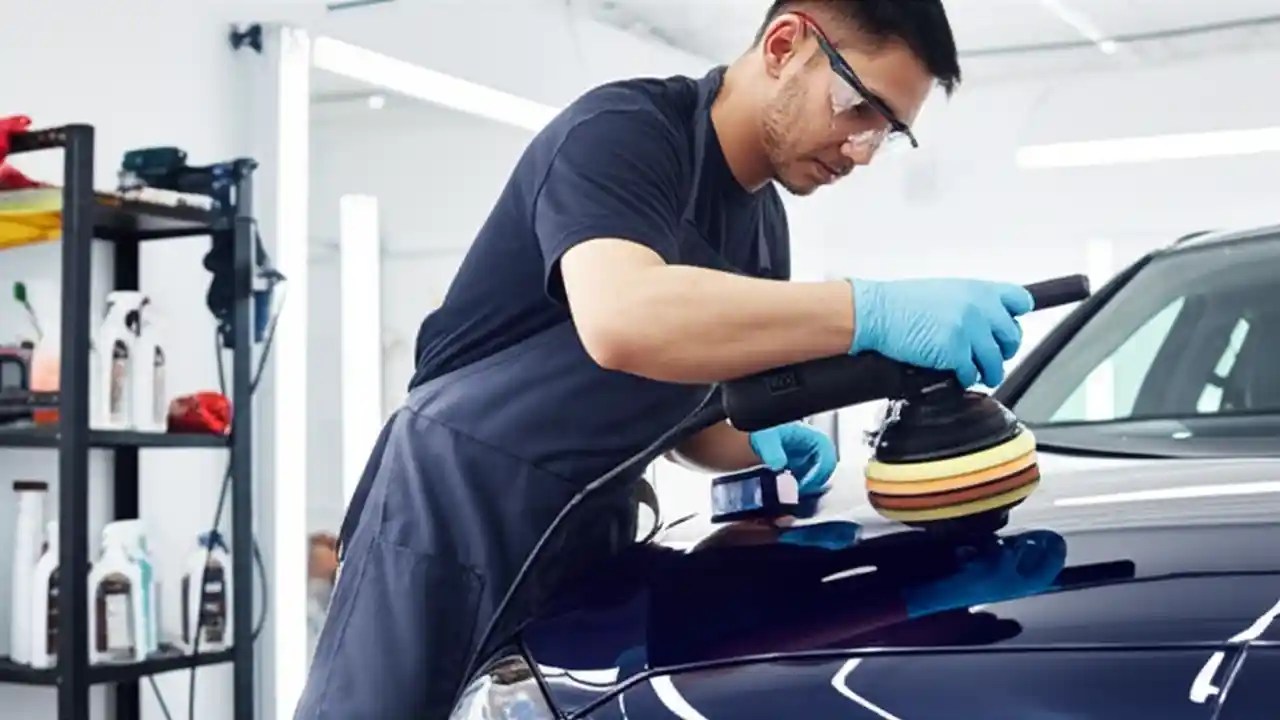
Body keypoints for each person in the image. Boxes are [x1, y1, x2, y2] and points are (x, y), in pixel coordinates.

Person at [293, 1, 1035, 717]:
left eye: (889, 132)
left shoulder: (762, 230)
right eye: (859, 108)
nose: (862, 150)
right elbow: (624, 320)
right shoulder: (624, 134)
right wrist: (869, 312)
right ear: (784, 48)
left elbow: (686, 421)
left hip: (589, 527)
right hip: (447, 514)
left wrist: (756, 439)